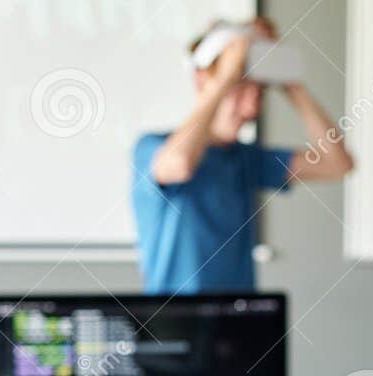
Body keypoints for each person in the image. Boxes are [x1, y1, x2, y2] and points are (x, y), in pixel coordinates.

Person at [132, 16, 354, 295]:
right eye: (240, 88)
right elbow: (180, 165)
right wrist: (225, 77)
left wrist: (290, 83)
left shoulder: (246, 159)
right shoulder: (152, 148)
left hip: (239, 322)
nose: (251, 108)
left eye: (260, 92)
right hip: (174, 324)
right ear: (202, 81)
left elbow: (337, 164)